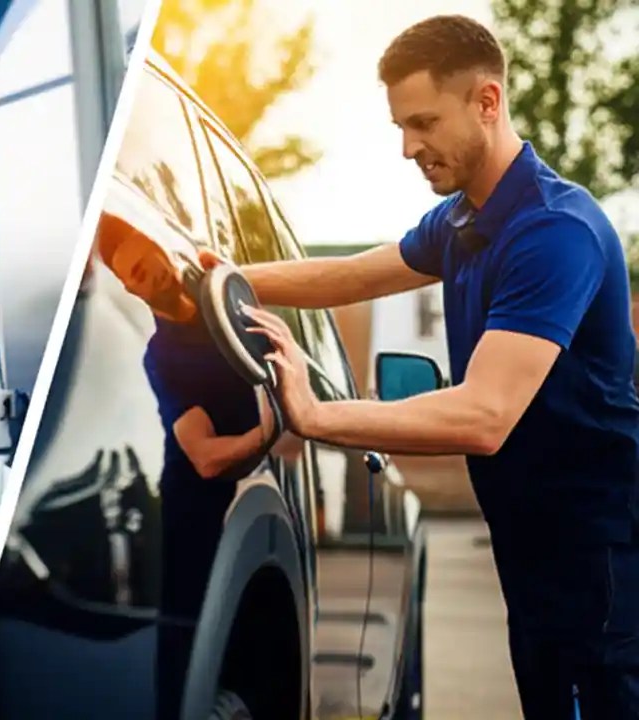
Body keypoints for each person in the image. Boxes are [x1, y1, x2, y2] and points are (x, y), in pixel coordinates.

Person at [230, 14, 639, 719]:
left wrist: (318, 414)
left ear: (487, 101)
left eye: (422, 123)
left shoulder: (553, 230)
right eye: (400, 126)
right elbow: (353, 275)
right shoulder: (460, 221)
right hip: (535, 551)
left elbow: (484, 415)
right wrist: (223, 280)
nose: (407, 147)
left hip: (598, 556)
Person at [96, 215, 299, 719]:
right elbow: (206, 460)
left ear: (164, 249)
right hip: (192, 514)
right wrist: (269, 431)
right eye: (135, 274)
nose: (150, 274)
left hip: (252, 499)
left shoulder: (231, 301)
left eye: (149, 258)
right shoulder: (162, 357)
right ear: (130, 289)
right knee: (182, 666)